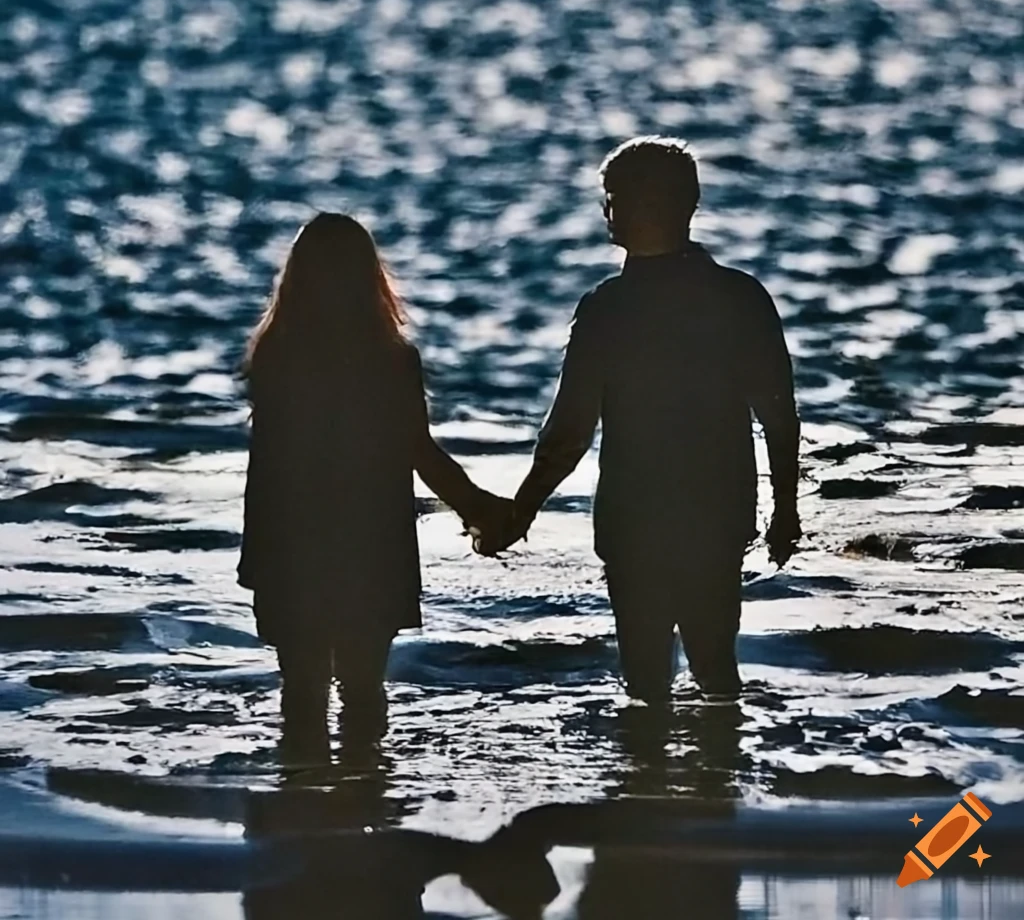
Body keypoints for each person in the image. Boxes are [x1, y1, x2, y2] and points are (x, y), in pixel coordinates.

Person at [476, 136, 801, 701]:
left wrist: (520, 511)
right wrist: (784, 511)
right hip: (716, 514)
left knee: (647, 678)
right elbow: (778, 416)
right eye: (609, 198)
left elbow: (569, 432)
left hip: (638, 518)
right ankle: (714, 777)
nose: (610, 212)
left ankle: (647, 779)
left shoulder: (609, 308)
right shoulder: (741, 298)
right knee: (716, 666)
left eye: (619, 198)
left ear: (675, 206)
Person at [238, 212, 509, 763]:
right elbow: (419, 452)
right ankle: (366, 811)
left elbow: (268, 469)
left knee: (302, 693)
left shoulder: (275, 358)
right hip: (370, 548)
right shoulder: (391, 360)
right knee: (364, 693)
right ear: (371, 280)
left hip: (291, 548)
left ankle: (298, 815)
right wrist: (481, 508)